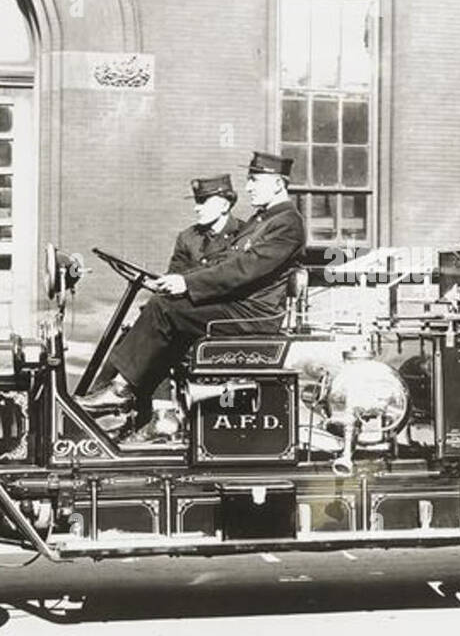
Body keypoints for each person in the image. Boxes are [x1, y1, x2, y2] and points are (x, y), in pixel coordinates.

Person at [81, 151, 306, 442]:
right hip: (237, 307)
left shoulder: (287, 223)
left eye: (254, 180)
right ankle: (139, 405)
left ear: (277, 184)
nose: (248, 187)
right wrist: (177, 281)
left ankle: (120, 392)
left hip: (252, 316)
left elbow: (243, 269)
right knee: (158, 311)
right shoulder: (261, 220)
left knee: (165, 309)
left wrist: (186, 283)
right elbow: (223, 263)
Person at [167, 174, 244, 275]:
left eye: (203, 202)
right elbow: (175, 274)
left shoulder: (243, 233)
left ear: (224, 205)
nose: (196, 208)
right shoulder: (187, 237)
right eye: (197, 202)